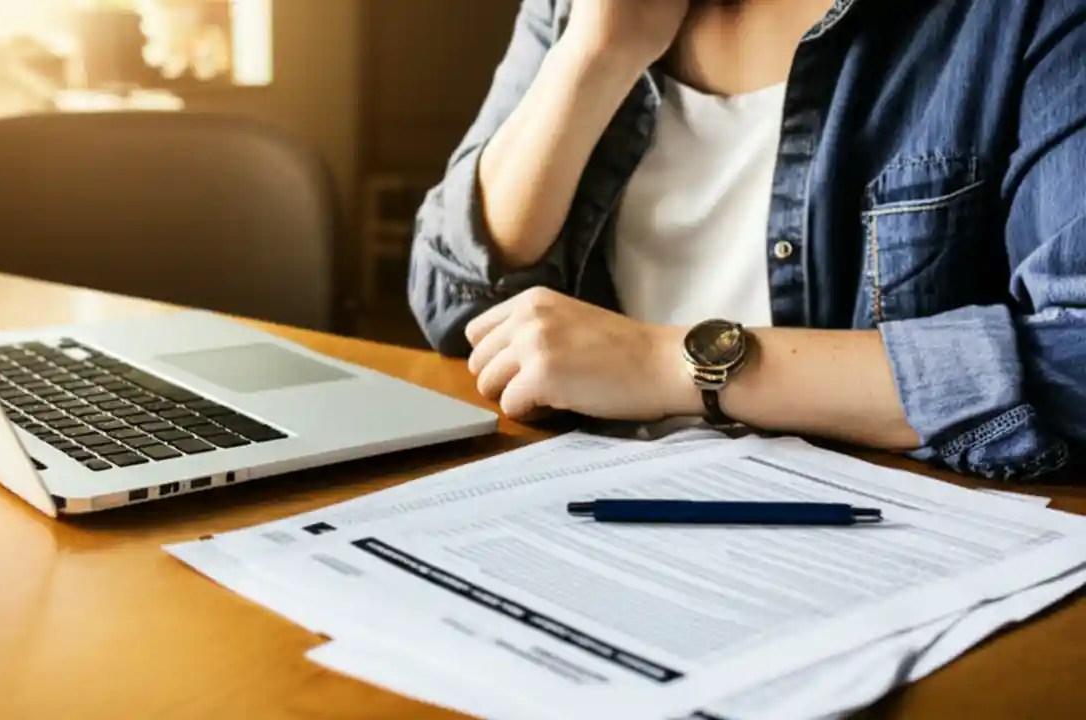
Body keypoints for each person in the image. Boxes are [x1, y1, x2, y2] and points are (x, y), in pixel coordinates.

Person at [408, 0, 1086, 481]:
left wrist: (664, 365)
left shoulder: (1025, 17)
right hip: (581, 504)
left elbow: (1075, 360)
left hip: (871, 552)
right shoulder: (574, 11)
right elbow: (453, 296)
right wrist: (595, 55)